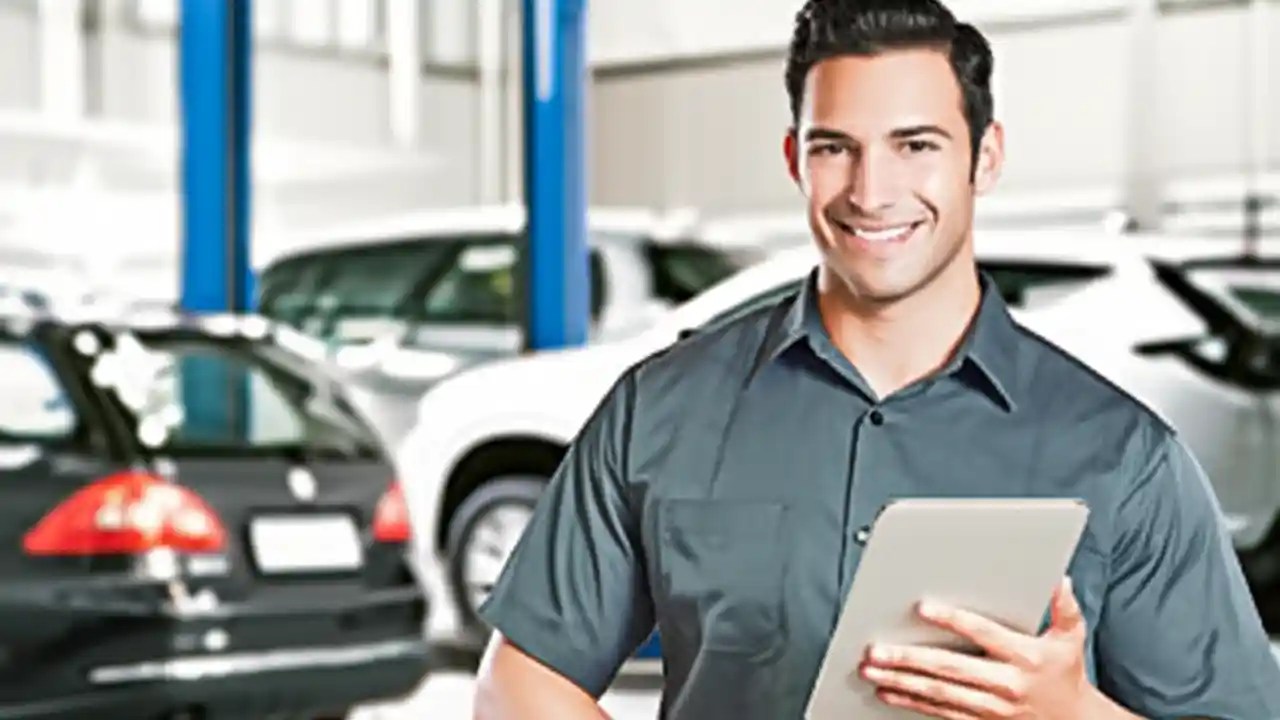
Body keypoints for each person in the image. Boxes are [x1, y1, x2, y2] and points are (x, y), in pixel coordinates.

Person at [472, 0, 1280, 717]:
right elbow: (519, 680)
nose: (871, 190)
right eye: (836, 148)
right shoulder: (661, 410)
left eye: (915, 145)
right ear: (795, 159)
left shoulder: (1121, 456)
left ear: (985, 157)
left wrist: (1072, 715)